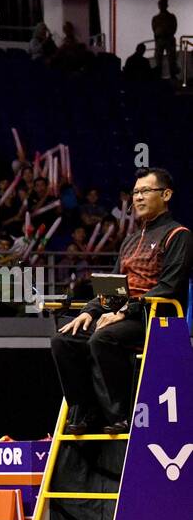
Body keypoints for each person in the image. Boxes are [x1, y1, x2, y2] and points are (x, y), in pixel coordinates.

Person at [52, 168, 191, 434]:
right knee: (65, 339)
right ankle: (87, 412)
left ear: (166, 194)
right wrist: (91, 312)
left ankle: (123, 415)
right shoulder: (128, 241)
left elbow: (169, 287)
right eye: (135, 192)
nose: (138, 198)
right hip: (124, 314)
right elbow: (115, 286)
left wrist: (126, 310)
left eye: (145, 191)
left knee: (103, 338)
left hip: (154, 318)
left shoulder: (178, 235)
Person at [152, 0, 179, 82]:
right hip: (161, 39)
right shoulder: (156, 18)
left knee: (171, 59)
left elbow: (174, 28)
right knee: (159, 59)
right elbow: (154, 29)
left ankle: (172, 76)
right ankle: (159, 76)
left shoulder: (170, 17)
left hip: (168, 39)